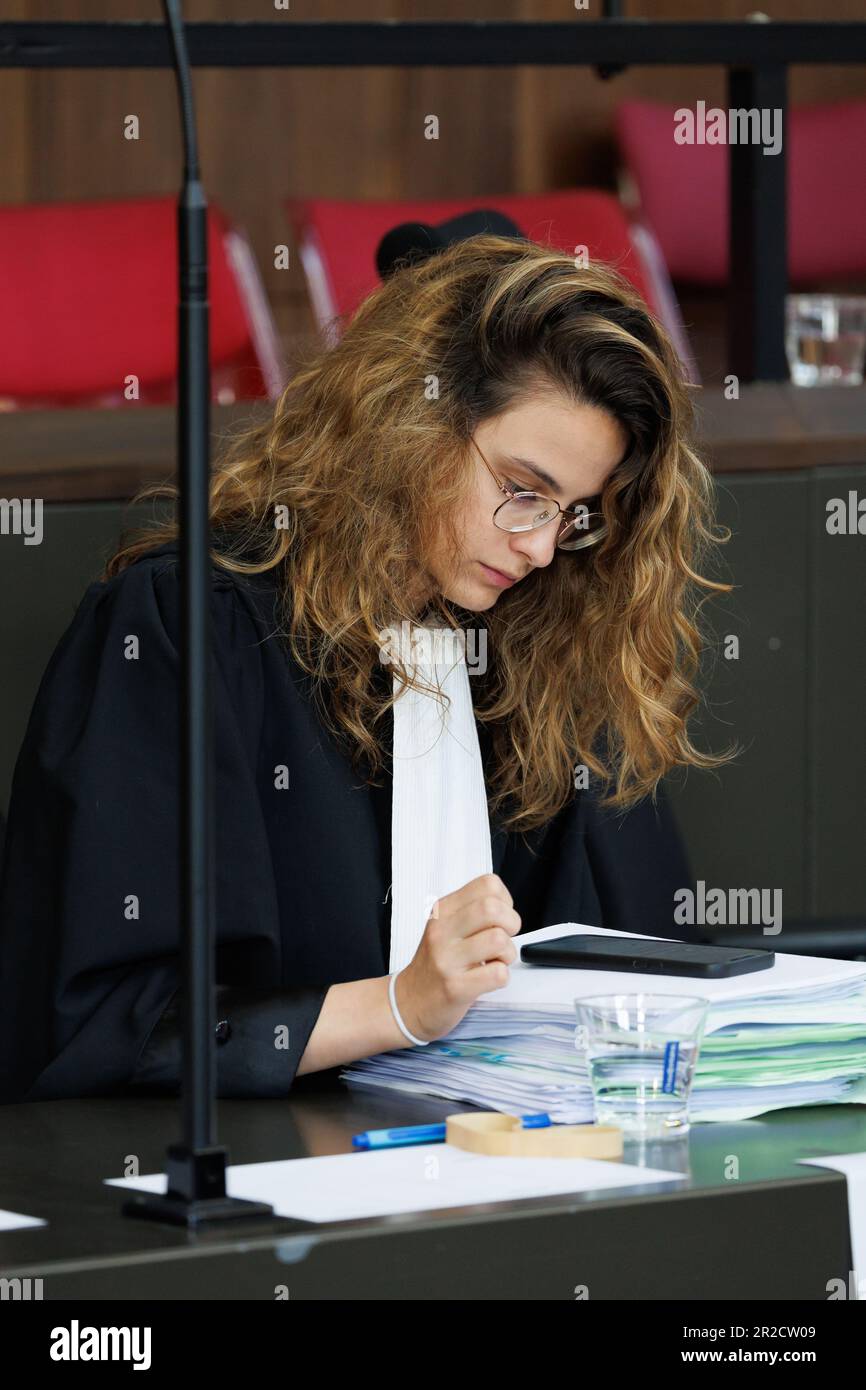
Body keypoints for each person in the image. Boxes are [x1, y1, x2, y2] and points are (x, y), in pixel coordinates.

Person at [0, 234, 735, 1103]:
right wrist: (402, 1005)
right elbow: (107, 1025)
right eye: (522, 489)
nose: (539, 547)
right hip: (247, 1191)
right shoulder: (185, 628)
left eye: (572, 516)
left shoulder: (530, 652)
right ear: (410, 421)